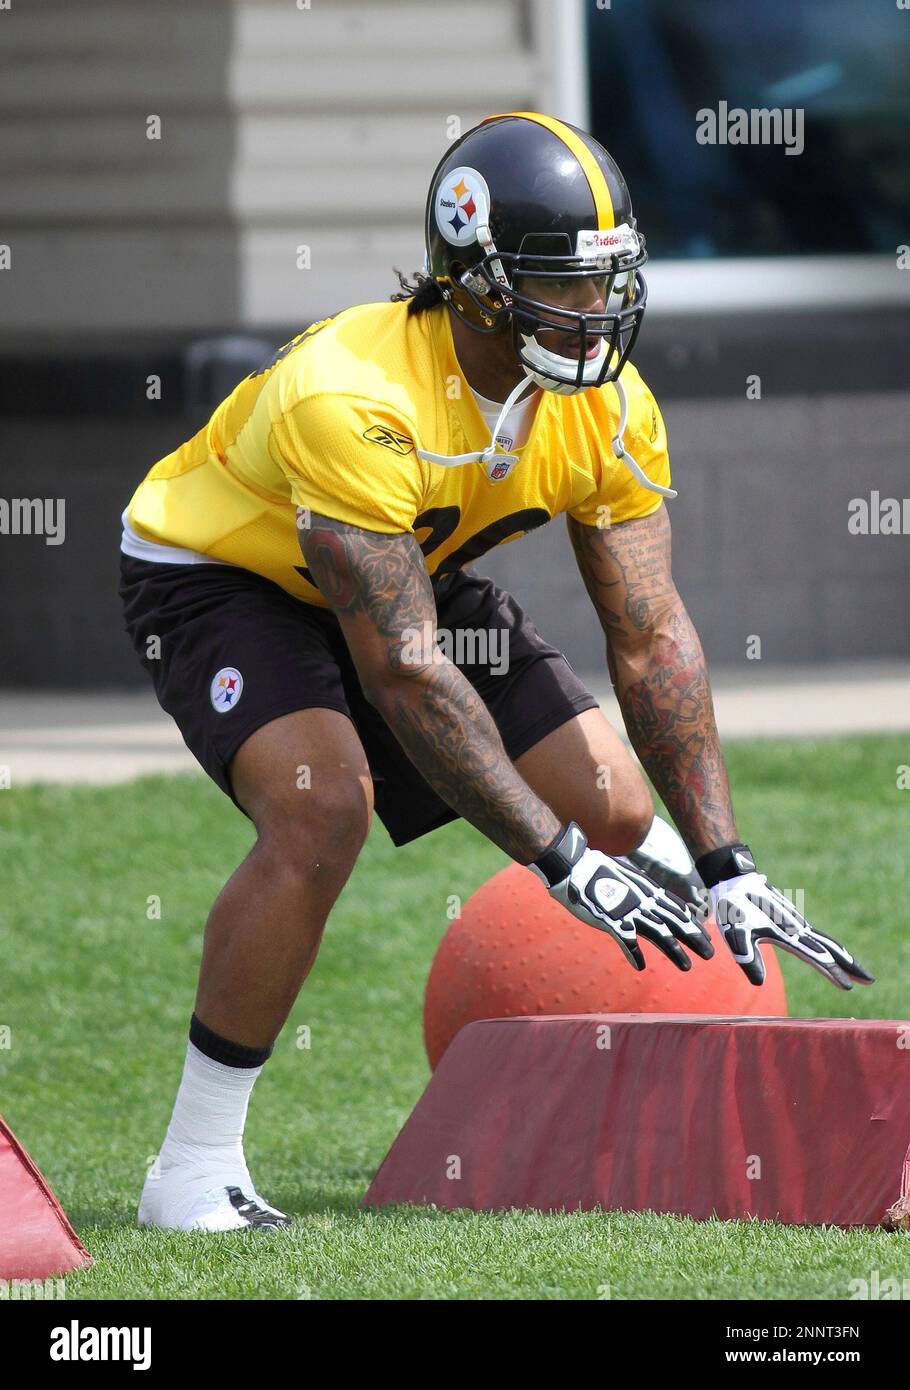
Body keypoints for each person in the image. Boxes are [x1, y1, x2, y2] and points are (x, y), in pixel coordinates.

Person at [119, 112, 871, 1232]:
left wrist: (720, 857)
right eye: (564, 283)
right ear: (472, 280)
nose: (597, 312)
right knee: (322, 808)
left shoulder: (607, 405)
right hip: (229, 572)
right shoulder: (353, 393)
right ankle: (191, 1165)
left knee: (617, 805)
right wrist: (552, 858)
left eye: (609, 280)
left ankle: (687, 940)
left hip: (405, 563)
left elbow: (651, 631)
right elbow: (405, 669)